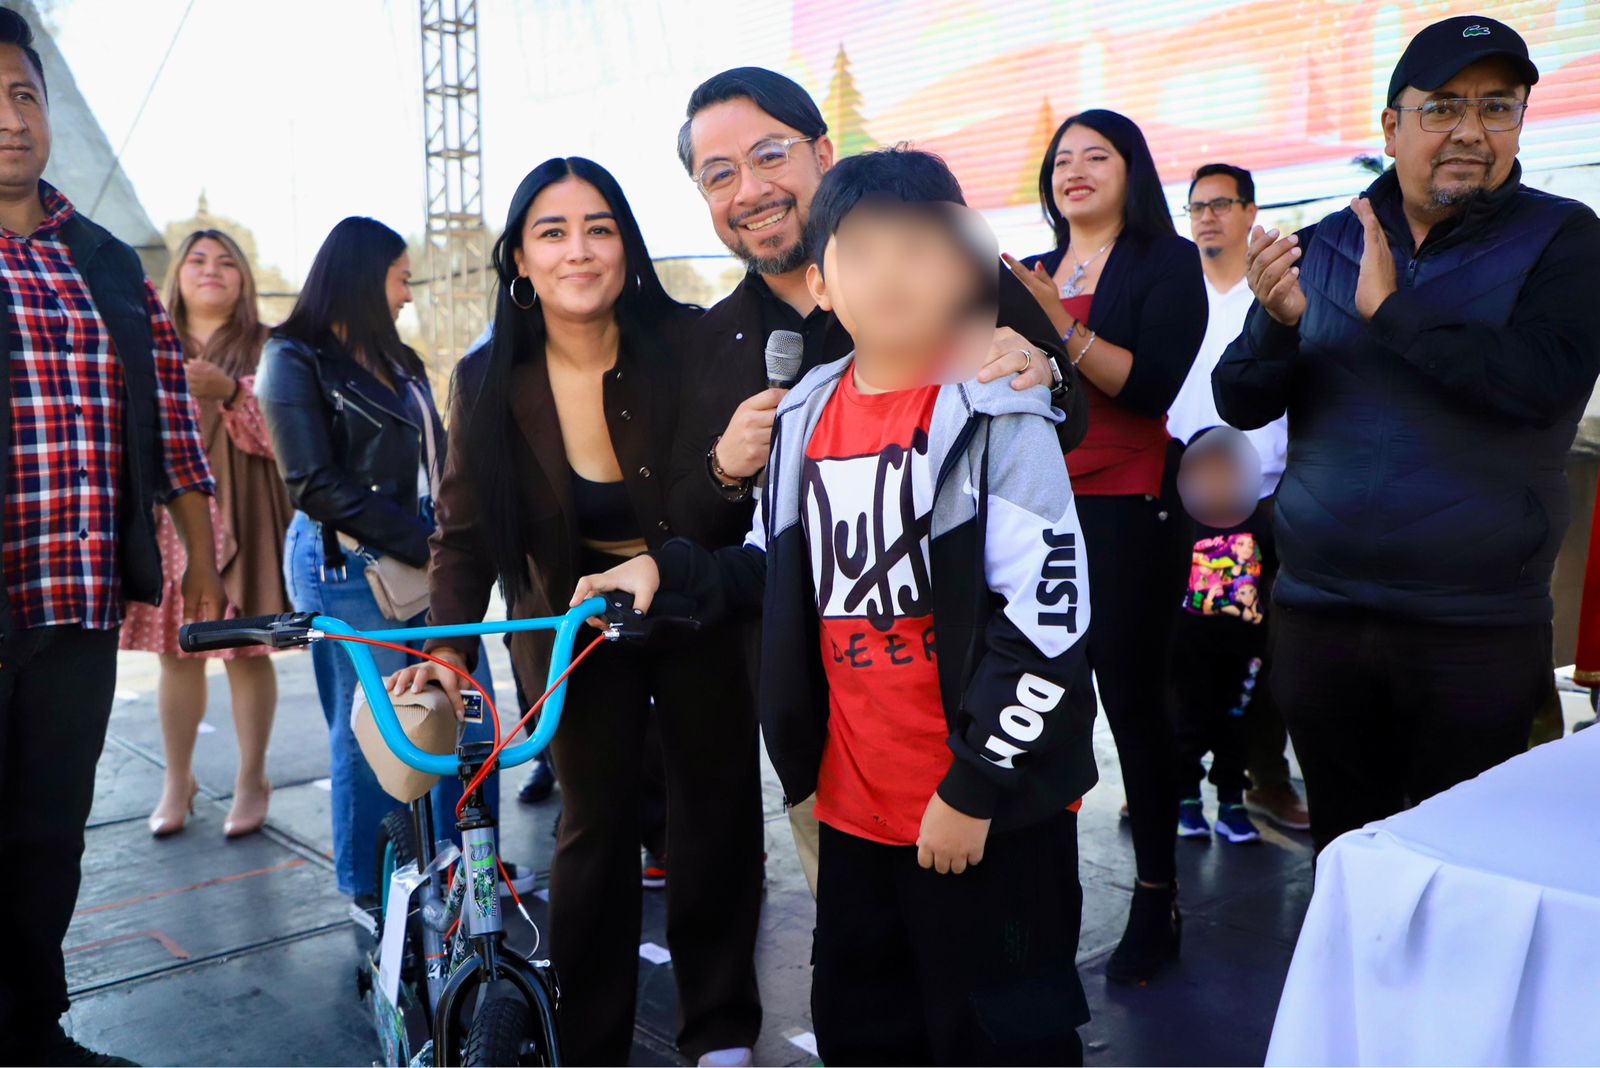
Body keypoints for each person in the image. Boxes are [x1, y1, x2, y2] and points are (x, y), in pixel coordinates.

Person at [575, 147, 1097, 1067]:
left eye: (921, 248)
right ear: (820, 282)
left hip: (990, 816)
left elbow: (1049, 620)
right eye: (863, 251)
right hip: (853, 816)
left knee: (1006, 1042)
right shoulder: (806, 415)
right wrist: (665, 571)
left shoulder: (1001, 412)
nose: (892, 273)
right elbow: (767, 570)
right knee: (868, 1035)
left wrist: (973, 788)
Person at [669, 66, 1085, 895]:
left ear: (822, 151)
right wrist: (724, 468)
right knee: (862, 979)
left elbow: (1053, 434)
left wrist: (1044, 372)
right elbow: (707, 526)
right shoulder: (707, 341)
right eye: (720, 175)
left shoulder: (954, 265)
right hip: (834, 744)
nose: (750, 189)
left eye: (769, 155)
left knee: (987, 1005)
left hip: (979, 744)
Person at [387, 158, 762, 1067]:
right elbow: (464, 537)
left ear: (627, 245)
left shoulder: (691, 341)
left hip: (695, 606)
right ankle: (590, 1041)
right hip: (573, 627)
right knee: (591, 829)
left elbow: (726, 502)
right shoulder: (485, 379)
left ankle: (721, 1031)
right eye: (552, 232)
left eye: (599, 227)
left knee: (713, 817)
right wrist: (446, 653)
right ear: (519, 258)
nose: (579, 249)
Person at [1214, 14, 1600, 853]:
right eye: (1444, 107)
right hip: (1321, 621)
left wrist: (1392, 313)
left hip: (1477, 632)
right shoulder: (1323, 245)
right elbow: (1241, 401)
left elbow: (1540, 384)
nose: (1470, 130)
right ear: (1393, 127)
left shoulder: (1565, 238)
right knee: (1352, 856)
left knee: (1468, 865)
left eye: (1497, 108)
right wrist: (1275, 328)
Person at [0, 10, 223, 1063]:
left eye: (23, 95)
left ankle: (33, 1031)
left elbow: (172, 424)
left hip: (80, 601)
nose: (9, 120)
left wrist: (206, 574)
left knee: (47, 836)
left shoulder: (105, 261)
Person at [1008, 108, 1207, 983]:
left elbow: (1151, 383)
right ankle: (1036, 901)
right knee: (1035, 700)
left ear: (1134, 171)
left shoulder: (1164, 261)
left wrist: (1063, 325)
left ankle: (1156, 896)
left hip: (1130, 507)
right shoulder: (1032, 267)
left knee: (1133, 702)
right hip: (1036, 512)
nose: (1074, 169)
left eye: (1098, 155)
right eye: (1062, 158)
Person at [256, 217, 500, 908]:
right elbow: (313, 483)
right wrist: (429, 543)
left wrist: (456, 538)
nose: (408, 295)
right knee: (371, 727)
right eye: (401, 278)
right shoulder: (292, 357)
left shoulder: (402, 362)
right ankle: (373, 888)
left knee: (450, 707)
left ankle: (462, 870)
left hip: (419, 554)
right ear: (366, 277)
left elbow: (444, 460)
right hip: (347, 569)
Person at [122, 229, 293, 841]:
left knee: (246, 653)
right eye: (197, 259)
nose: (212, 269)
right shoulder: (145, 337)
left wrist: (231, 394)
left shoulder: (270, 347)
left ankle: (253, 778)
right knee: (177, 653)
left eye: (227, 261)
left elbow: (290, 441)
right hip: (171, 520)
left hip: (243, 513)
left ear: (245, 279)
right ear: (177, 274)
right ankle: (178, 779)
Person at [1168, 163, 1308, 832]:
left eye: (1221, 204)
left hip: (1278, 501)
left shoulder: (1278, 287)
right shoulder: (1174, 294)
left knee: (1271, 657)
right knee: (1202, 658)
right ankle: (1183, 785)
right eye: (1196, 206)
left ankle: (1263, 780)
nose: (1207, 217)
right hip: (1206, 516)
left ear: (1251, 211)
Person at [1168, 428, 1274, 845]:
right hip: (1189, 647)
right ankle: (1186, 797)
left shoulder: (1259, 522)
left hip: (1245, 649)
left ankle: (1232, 801)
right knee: (1187, 721)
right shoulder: (1181, 521)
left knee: (1238, 725)